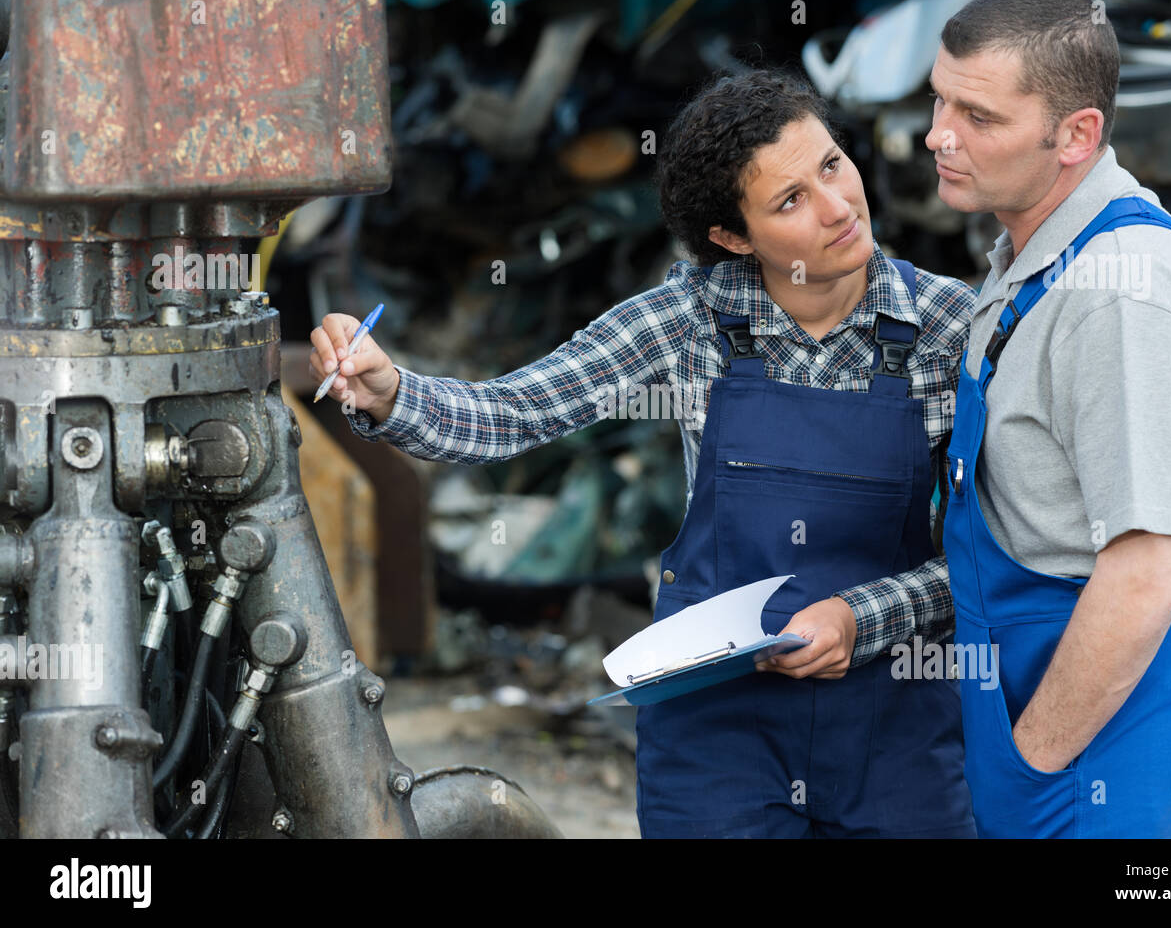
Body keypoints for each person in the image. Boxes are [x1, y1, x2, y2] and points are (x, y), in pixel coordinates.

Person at [310, 69, 976, 837]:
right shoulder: (690, 320)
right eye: (790, 200)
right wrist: (388, 390)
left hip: (894, 729)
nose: (837, 208)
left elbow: (996, 550)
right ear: (732, 237)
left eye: (831, 165)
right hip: (720, 734)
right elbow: (518, 411)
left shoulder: (950, 328)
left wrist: (864, 616)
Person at [926, 0, 1171, 837]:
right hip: (1066, 754)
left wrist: (1032, 760)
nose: (938, 136)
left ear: (1077, 134)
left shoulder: (1125, 299)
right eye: (938, 100)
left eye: (979, 117)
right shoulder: (1032, 255)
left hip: (1127, 781)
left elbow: (1147, 579)